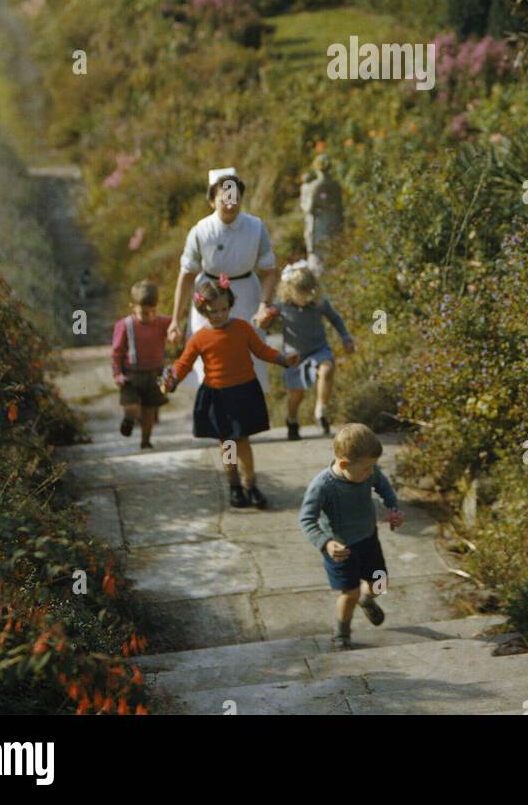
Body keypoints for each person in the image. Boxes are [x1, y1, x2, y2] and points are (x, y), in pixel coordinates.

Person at [164, 276, 299, 509]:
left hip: (244, 392)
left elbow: (261, 350)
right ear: (202, 310)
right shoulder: (199, 339)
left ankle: (251, 485)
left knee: (243, 442)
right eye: (212, 311)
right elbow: (183, 364)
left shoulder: (242, 328)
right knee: (228, 444)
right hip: (218, 396)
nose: (219, 315)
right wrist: (171, 381)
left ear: (230, 305)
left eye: (224, 309)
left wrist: (283, 359)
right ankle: (234, 485)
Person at [167, 169, 277, 390]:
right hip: (209, 293)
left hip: (246, 296)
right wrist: (175, 321)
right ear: (211, 201)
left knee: (249, 352)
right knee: (206, 351)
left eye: (234, 198)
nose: (230, 204)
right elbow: (186, 276)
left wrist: (264, 305)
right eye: (223, 199)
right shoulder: (201, 231)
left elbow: (269, 270)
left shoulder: (255, 227)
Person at [298, 422, 405, 650]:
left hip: (368, 539)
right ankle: (341, 633)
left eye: (372, 467)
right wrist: (325, 544)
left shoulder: (367, 470)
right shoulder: (323, 486)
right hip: (341, 550)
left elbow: (383, 485)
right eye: (366, 469)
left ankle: (368, 600)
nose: (371, 473)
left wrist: (393, 508)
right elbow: (306, 519)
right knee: (350, 593)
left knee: (380, 581)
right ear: (344, 463)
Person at [265, 262, 354, 440]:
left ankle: (321, 409)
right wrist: (265, 318)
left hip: (319, 348)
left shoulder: (319, 303)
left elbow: (335, 319)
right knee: (296, 393)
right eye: (302, 295)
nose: (307, 298)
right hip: (294, 355)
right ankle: (292, 419)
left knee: (327, 369)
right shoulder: (281, 305)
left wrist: (345, 337)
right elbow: (266, 322)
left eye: (310, 293)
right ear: (290, 290)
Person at [111, 280, 171, 450]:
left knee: (149, 410)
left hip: (154, 373)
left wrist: (175, 332)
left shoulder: (162, 322)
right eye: (144, 313)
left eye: (153, 312)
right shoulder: (125, 325)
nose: (149, 316)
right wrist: (117, 373)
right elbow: (116, 351)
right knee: (131, 407)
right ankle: (129, 419)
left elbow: (175, 326)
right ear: (133, 307)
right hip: (131, 374)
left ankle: (146, 440)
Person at [299, 153, 343, 275]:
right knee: (333, 261)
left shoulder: (315, 186)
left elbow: (308, 208)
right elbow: (340, 209)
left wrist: (304, 191)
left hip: (319, 228)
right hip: (334, 226)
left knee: (317, 263)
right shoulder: (336, 186)